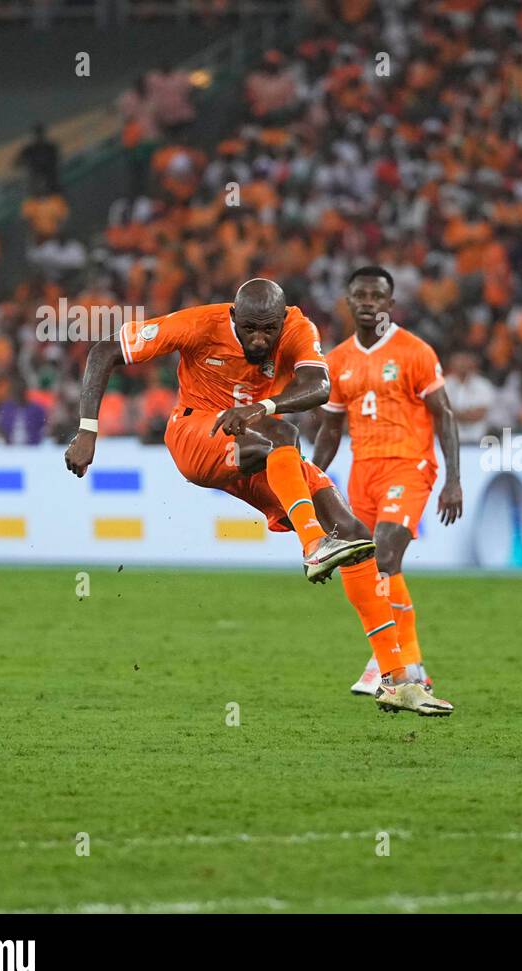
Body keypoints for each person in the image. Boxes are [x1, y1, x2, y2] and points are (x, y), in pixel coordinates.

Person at [64, 278, 453, 717]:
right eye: (250, 329)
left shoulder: (297, 328)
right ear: (234, 317)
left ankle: (397, 678)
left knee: (353, 533)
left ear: (281, 319)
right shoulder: (199, 324)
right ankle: (313, 545)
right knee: (280, 434)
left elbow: (319, 387)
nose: (260, 339)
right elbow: (104, 353)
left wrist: (262, 407)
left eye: (268, 328)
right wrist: (87, 430)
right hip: (197, 434)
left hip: (261, 449)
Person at [311, 266, 463, 702]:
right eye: (359, 295)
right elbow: (330, 431)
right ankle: (408, 666)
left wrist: (453, 480)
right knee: (362, 566)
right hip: (364, 472)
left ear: (390, 304)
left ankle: (391, 659)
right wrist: (310, 483)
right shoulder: (337, 360)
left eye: (377, 296)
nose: (368, 302)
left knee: (386, 550)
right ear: (348, 301)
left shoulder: (415, 351)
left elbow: (445, 415)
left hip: (409, 465)